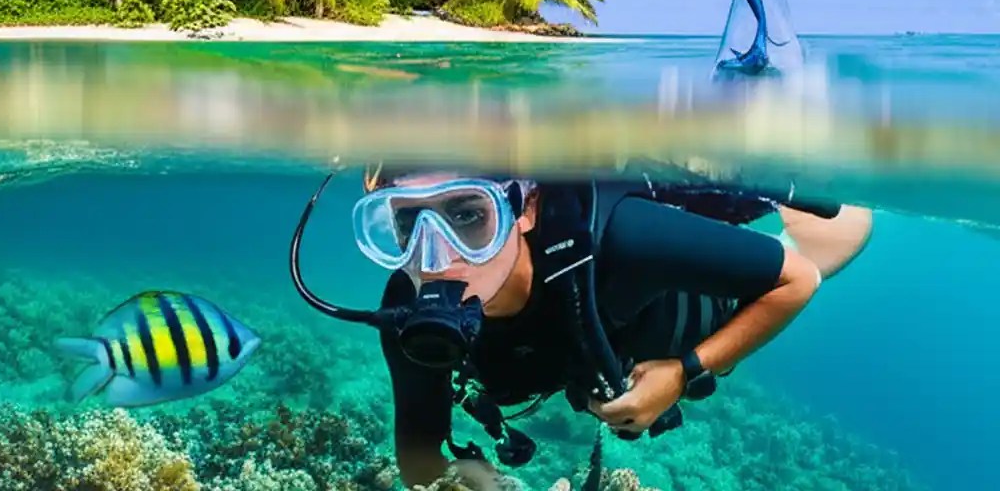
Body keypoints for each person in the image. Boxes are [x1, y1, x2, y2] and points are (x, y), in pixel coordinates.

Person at [288, 161, 873, 491]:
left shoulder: (622, 239)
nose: (436, 257)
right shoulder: (405, 312)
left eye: (468, 216)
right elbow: (419, 452)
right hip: (591, 348)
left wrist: (686, 370)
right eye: (407, 224)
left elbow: (797, 282)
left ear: (525, 210)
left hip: (686, 315)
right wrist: (476, 482)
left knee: (839, 233)